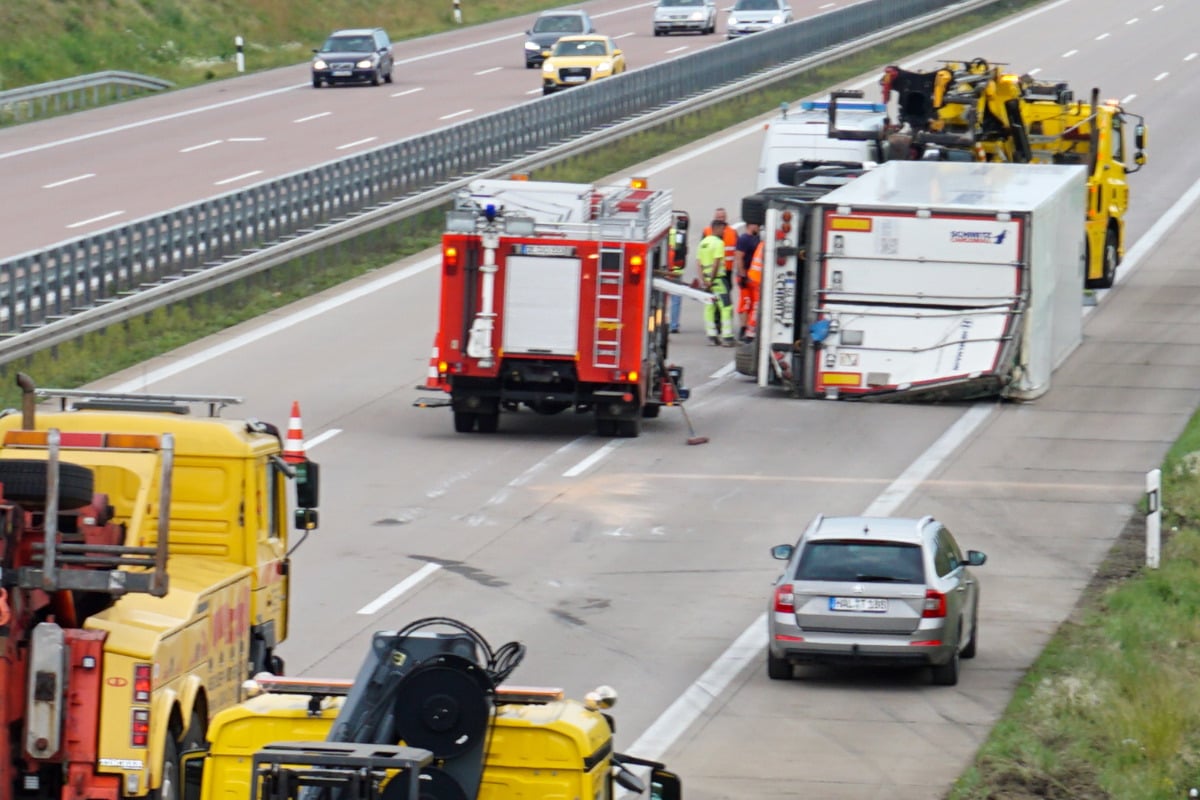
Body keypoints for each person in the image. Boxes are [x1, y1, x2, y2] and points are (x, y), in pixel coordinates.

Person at [697, 219, 735, 346]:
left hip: (707, 280)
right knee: (726, 307)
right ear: (716, 228)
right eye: (722, 229)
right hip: (718, 279)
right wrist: (712, 279)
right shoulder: (718, 243)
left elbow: (698, 264)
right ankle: (727, 336)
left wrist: (704, 280)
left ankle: (712, 335)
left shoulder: (703, 243)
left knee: (709, 307)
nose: (724, 231)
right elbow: (716, 262)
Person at [732, 221, 760, 339]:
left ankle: (750, 327)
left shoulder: (756, 239)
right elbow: (739, 257)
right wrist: (743, 275)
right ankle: (743, 328)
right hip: (745, 276)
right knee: (746, 302)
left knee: (754, 303)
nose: (758, 227)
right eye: (757, 225)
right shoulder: (744, 239)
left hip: (753, 277)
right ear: (750, 225)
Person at [666, 214, 689, 333]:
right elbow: (683, 252)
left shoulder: (662, 235)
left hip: (663, 271)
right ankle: (673, 325)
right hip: (676, 272)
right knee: (675, 299)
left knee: (661, 299)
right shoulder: (679, 235)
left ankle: (662, 321)